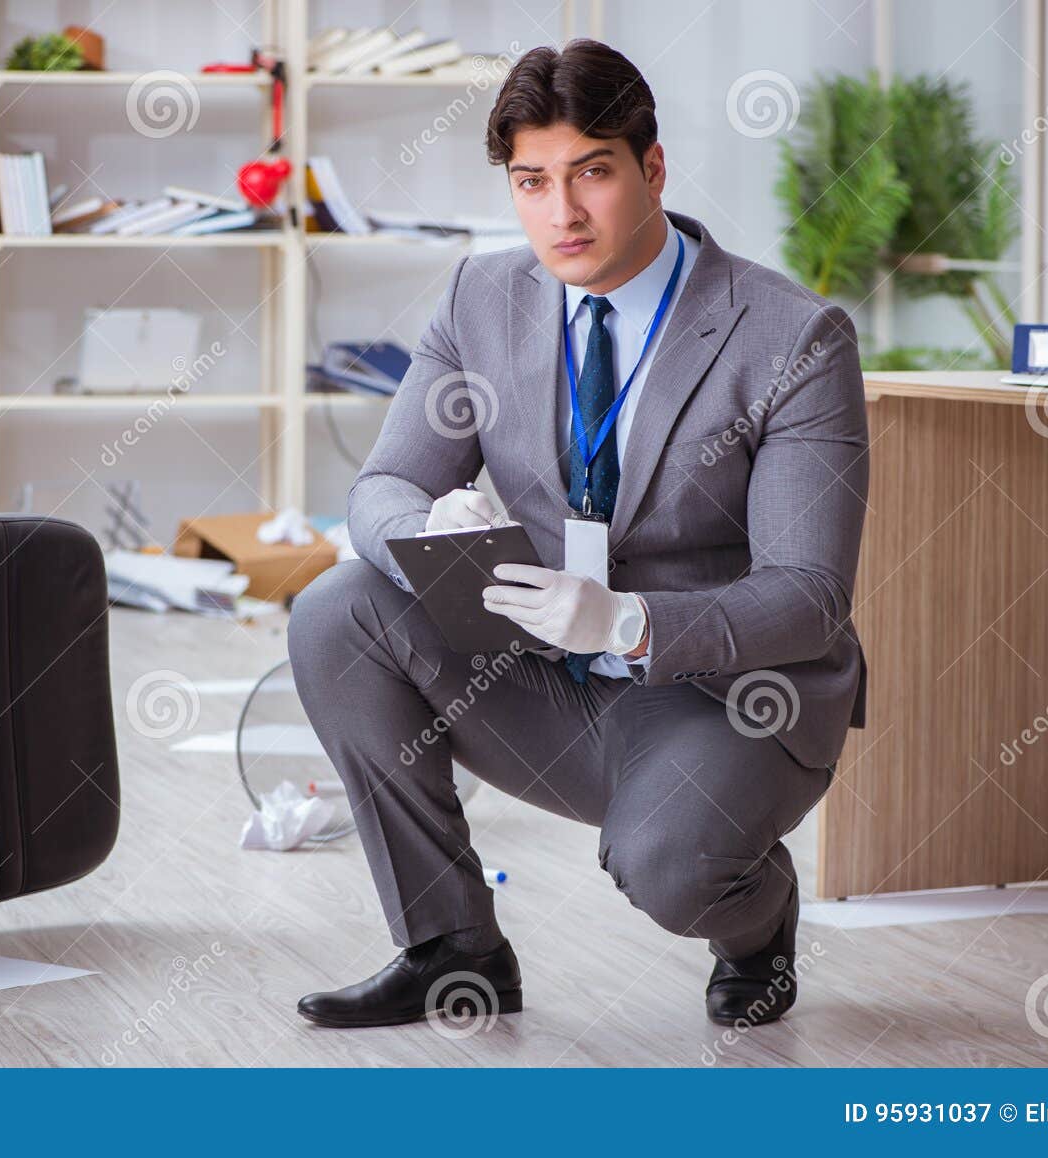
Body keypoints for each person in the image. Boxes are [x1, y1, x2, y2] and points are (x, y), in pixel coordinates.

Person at [288, 38, 868, 1030]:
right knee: (336, 611)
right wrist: (428, 525)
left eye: (591, 174)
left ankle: (756, 914)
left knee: (673, 871)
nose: (560, 214)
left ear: (650, 168)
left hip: (723, 695)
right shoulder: (482, 299)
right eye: (531, 182)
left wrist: (630, 620)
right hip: (536, 678)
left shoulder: (790, 337)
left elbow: (809, 596)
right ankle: (449, 945)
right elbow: (381, 486)